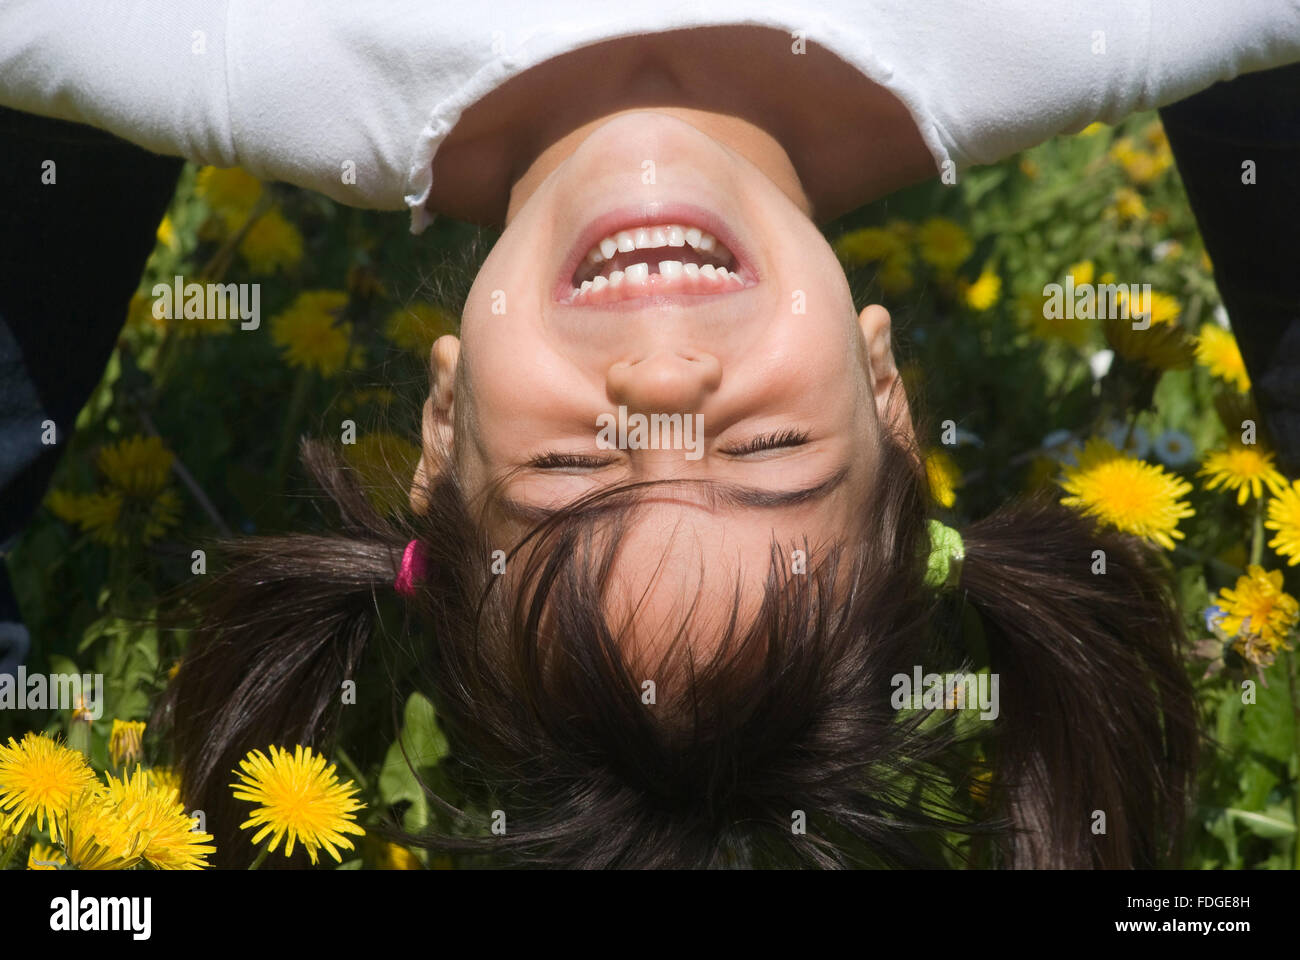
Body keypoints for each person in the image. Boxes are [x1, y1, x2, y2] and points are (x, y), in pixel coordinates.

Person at [3, 2, 1299, 867]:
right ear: (887, 397)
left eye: (571, 467)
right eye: (766, 452)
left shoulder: (184, 47)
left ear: (441, 420)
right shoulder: (1102, 23)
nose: (666, 366)